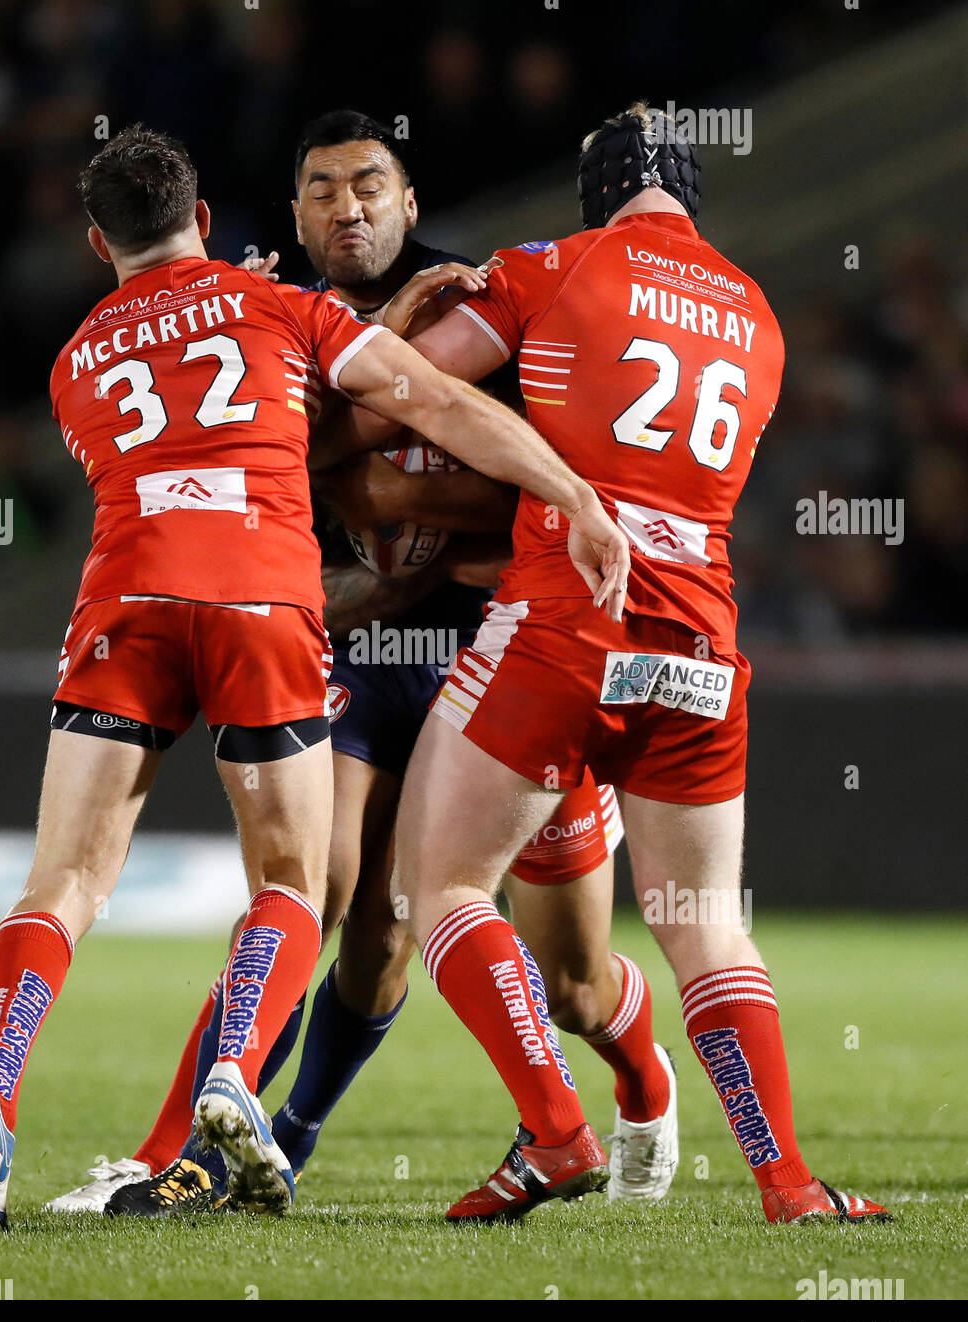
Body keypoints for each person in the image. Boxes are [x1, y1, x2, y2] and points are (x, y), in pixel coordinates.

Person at [0, 122, 628, 1230]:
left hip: (133, 602)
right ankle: (224, 1103)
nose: (345, 206)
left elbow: (196, 444)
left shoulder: (74, 363)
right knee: (304, 887)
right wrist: (575, 501)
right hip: (277, 606)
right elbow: (436, 408)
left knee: (64, 880)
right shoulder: (284, 309)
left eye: (367, 185)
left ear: (93, 239)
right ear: (213, 218)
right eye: (320, 189)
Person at [327, 102, 891, 1225]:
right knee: (706, 927)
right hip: (698, 641)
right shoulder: (758, 317)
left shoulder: (555, 266)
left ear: (598, 189)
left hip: (563, 624)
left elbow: (393, 386)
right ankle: (786, 1184)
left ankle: (554, 1130)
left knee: (437, 886)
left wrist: (379, 378)